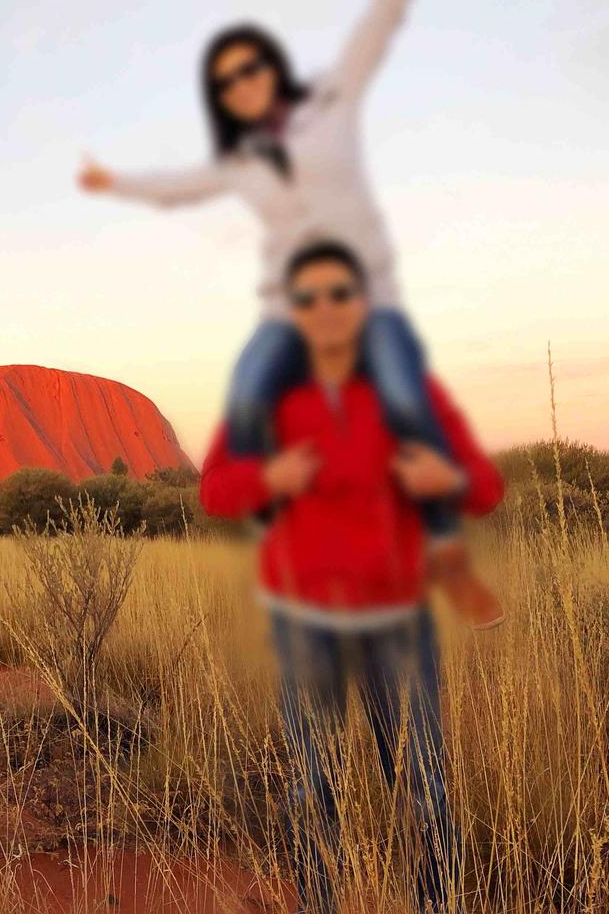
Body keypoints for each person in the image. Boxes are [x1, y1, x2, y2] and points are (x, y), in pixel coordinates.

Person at [79, 0, 502, 629]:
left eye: (250, 68)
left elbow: (381, 18)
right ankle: (288, 534)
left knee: (408, 404)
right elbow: (181, 188)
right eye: (227, 80)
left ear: (272, 69)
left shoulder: (332, 104)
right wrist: (115, 184)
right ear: (224, 97)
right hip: (287, 309)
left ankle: (446, 555)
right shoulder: (240, 162)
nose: (243, 83)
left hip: (367, 297)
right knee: (245, 395)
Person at [200, 241, 504, 914]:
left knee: (425, 782)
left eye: (340, 293)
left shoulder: (407, 397)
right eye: (306, 298)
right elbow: (214, 490)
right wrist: (266, 477)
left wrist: (445, 478)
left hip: (398, 619)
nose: (325, 309)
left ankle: (440, 903)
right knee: (312, 788)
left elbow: (485, 487)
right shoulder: (269, 402)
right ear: (291, 313)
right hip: (305, 620)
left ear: (363, 304)